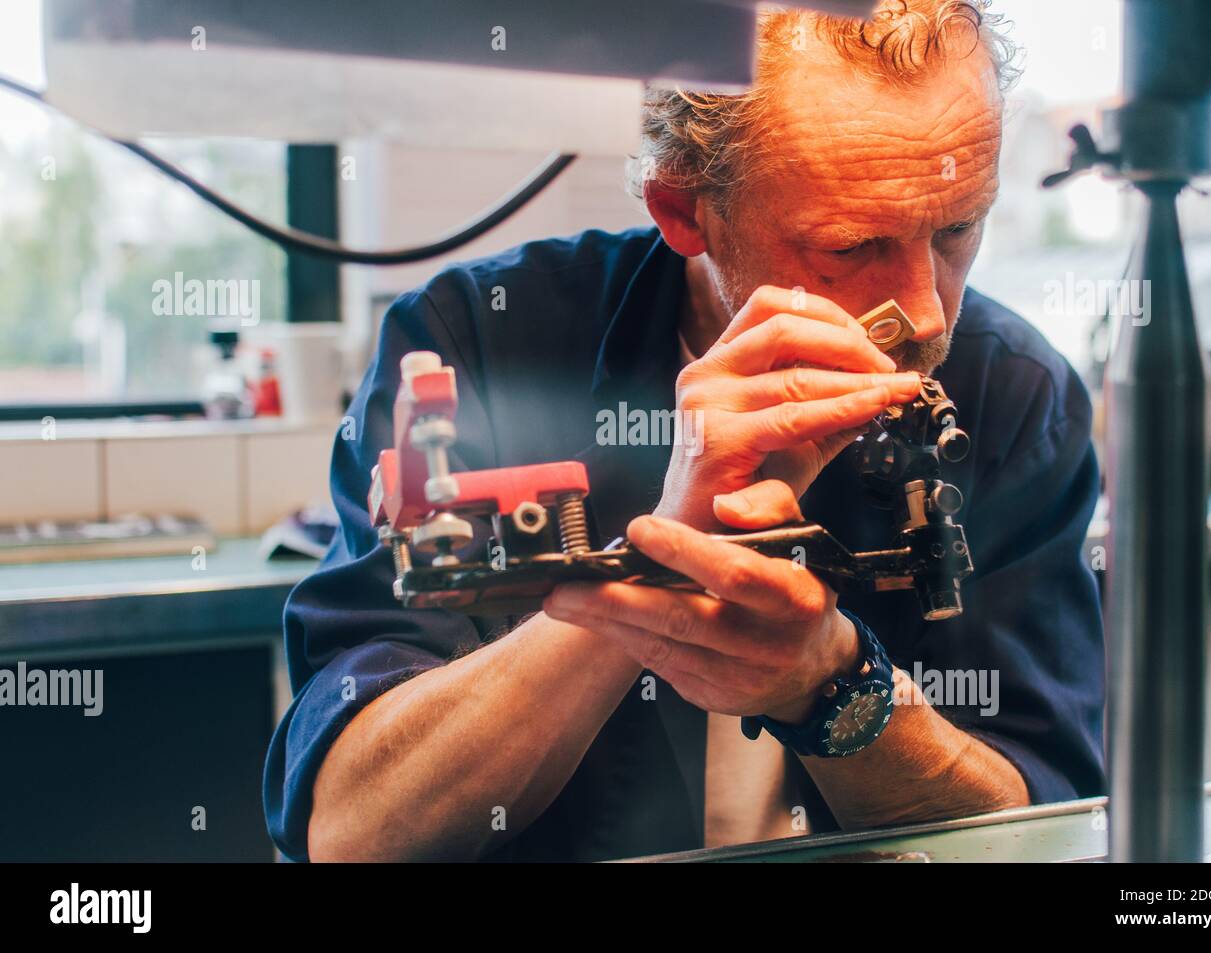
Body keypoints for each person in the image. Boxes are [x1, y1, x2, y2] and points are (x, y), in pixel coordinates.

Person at [265, 1, 1104, 862]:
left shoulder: (1012, 393)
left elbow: (1048, 834)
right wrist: (649, 577)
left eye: (960, 227)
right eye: (852, 246)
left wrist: (833, 683)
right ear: (683, 211)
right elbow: (352, 828)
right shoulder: (473, 344)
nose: (928, 315)